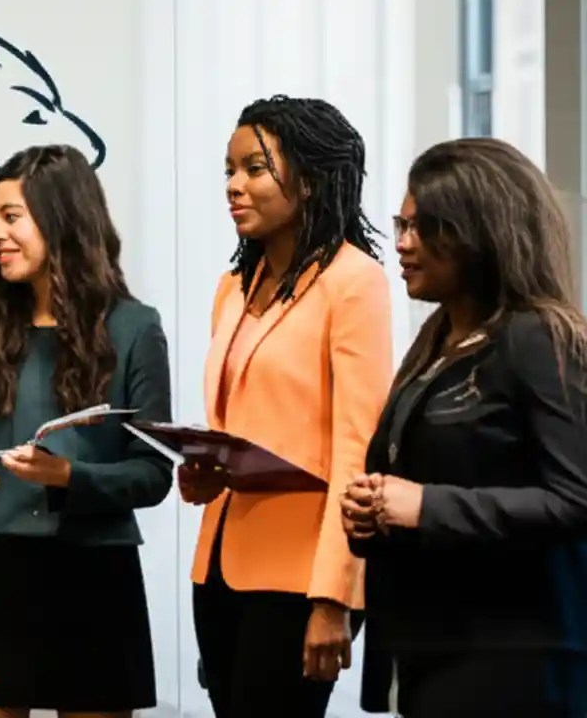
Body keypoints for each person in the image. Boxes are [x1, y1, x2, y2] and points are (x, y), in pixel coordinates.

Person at [0, 144, 174, 718]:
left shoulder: (135, 327)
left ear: (62, 219)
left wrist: (70, 477)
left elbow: (154, 473)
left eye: (12, 217)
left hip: (97, 580)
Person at [342, 138, 587, 717]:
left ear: (480, 231)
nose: (403, 243)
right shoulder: (435, 342)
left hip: (518, 656)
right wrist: (372, 513)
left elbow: (575, 499)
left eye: (424, 227)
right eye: (401, 224)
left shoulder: (538, 339)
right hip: (433, 645)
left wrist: (426, 505)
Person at [180, 95, 393, 717]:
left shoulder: (354, 282)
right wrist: (200, 471)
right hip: (218, 568)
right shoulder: (232, 288)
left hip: (301, 579)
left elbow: (359, 446)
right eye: (228, 170)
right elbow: (236, 424)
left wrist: (335, 595)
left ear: (310, 179)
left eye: (254, 168)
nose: (234, 186)